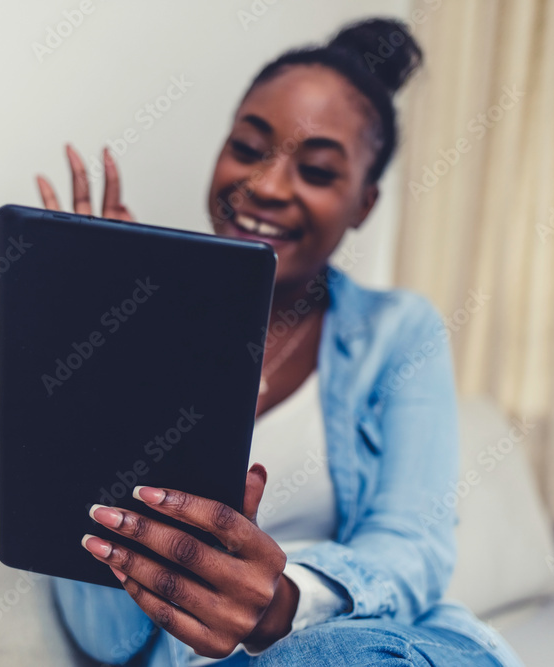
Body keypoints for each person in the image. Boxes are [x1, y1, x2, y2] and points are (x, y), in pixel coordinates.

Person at [35, 17, 525, 667]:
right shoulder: (134, 318)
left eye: (318, 170)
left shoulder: (398, 331)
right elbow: (107, 635)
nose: (266, 185)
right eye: (248, 146)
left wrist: (283, 602)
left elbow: (414, 543)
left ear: (363, 204)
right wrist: (126, 353)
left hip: (370, 639)